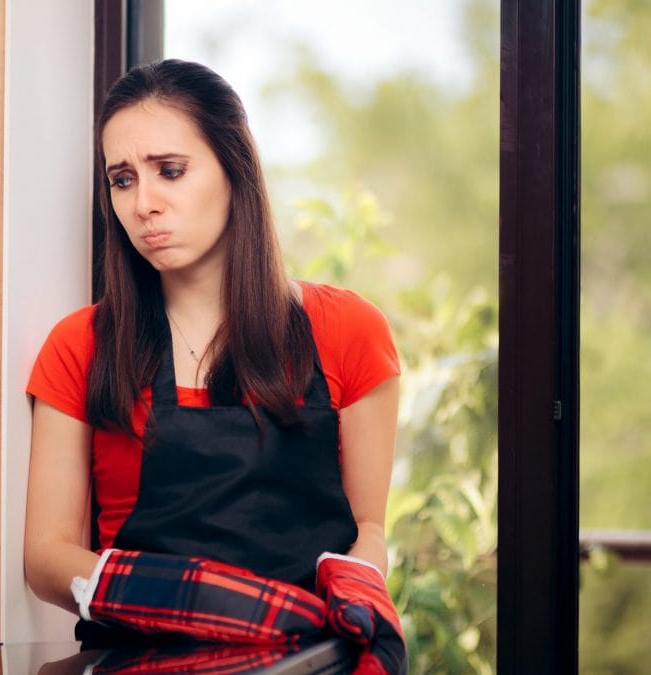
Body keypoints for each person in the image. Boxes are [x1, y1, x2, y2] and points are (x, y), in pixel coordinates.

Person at [24, 59, 406, 674]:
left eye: (170, 171)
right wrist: (199, 600)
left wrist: (347, 599)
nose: (144, 203)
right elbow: (46, 559)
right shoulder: (82, 346)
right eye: (122, 180)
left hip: (303, 662)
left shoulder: (348, 332)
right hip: (133, 660)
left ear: (234, 169)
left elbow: (367, 533)